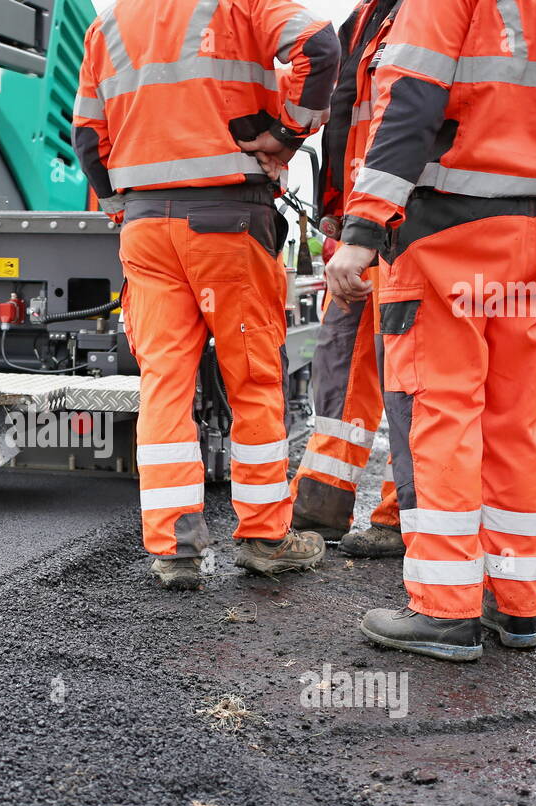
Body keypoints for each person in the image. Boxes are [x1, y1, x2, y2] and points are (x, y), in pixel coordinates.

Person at [325, 0, 536, 659]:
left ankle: (444, 610)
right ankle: (516, 606)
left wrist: (361, 230)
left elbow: (413, 105)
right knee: (519, 418)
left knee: (443, 409)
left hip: (448, 232)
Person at [72, 0, 341, 590]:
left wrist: (121, 205)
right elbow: (319, 47)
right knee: (252, 377)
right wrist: (286, 133)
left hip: (146, 229)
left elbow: (89, 138)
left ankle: (175, 550)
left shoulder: (110, 23)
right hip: (228, 221)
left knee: (164, 382)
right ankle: (266, 537)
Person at [276, 0, 407, 559]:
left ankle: (407, 515)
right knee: (338, 367)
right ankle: (321, 502)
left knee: (413, 377)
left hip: (411, 225)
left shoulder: (443, 14)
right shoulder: (365, 17)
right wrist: (340, 216)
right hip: (360, 226)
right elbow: (344, 112)